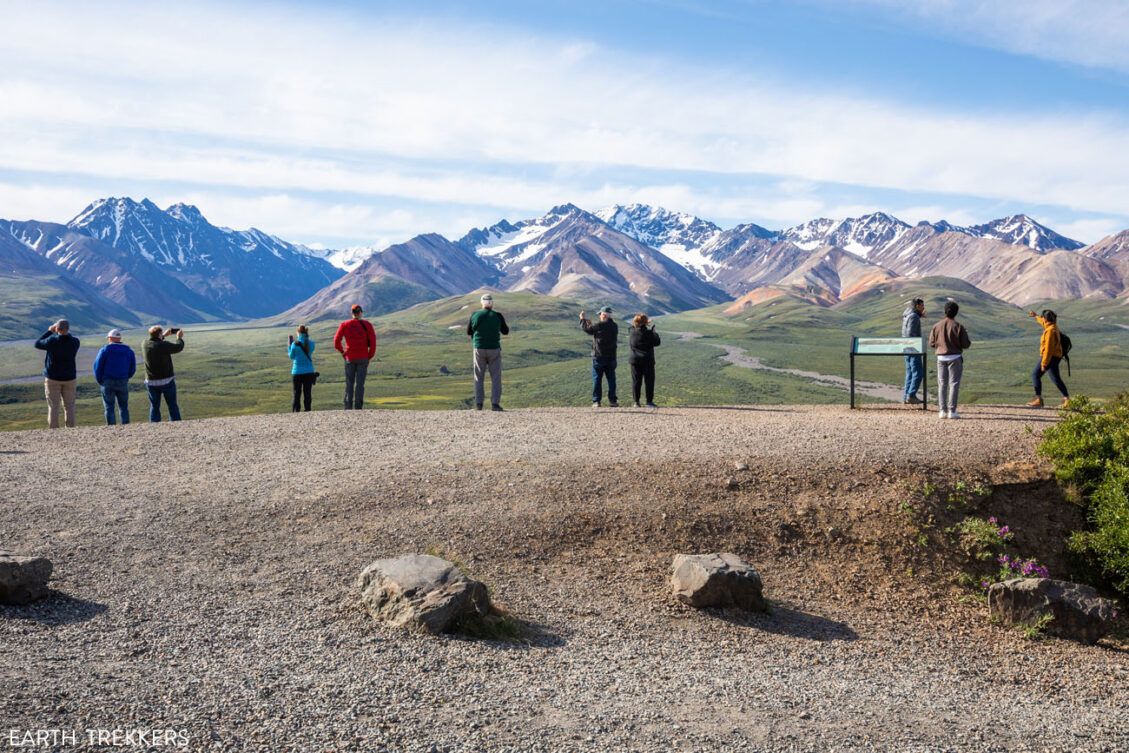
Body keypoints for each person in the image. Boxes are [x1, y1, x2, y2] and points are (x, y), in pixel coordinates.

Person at [927, 301, 972, 420]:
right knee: (954, 384)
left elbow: (931, 343)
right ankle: (952, 411)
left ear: (945, 311)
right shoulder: (958, 326)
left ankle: (942, 411)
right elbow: (966, 344)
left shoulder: (936, 326)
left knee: (942, 384)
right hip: (955, 358)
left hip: (940, 358)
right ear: (956, 312)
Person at [34, 318, 81, 429]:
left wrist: (50, 331)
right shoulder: (75, 342)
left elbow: (37, 343)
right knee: (69, 406)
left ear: (57, 329)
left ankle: (54, 431)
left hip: (52, 378)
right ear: (68, 329)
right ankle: (70, 428)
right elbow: (68, 337)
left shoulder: (52, 341)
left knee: (54, 406)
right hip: (69, 378)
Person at [466, 293, 510, 411]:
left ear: (482, 303)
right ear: (492, 303)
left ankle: (479, 404)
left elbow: (469, 332)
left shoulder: (475, 315)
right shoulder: (497, 316)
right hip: (494, 349)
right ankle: (495, 404)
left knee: (478, 377)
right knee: (496, 377)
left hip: (479, 348)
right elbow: (505, 331)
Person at [333, 304, 377, 410]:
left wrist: (343, 352)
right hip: (363, 357)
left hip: (349, 358)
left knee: (349, 383)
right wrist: (369, 356)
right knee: (360, 384)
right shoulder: (367, 325)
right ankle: (358, 407)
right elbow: (373, 342)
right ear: (360, 312)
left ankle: (348, 407)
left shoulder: (344, 324)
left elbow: (336, 341)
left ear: (351, 313)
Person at [1026, 310, 1069, 409]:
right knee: (1055, 378)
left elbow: (1048, 349)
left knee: (1035, 375)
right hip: (1055, 357)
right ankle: (1067, 400)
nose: (1043, 320)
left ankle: (1038, 400)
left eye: (1043, 317)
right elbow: (1043, 322)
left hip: (1050, 357)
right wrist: (1036, 316)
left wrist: (1044, 363)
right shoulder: (1052, 326)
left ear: (1046, 319)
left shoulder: (1050, 331)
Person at [92, 328, 136, 425]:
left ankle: (112, 428)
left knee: (109, 407)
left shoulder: (104, 350)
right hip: (123, 381)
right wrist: (126, 377)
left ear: (110, 338)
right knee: (123, 407)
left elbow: (97, 367)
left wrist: (101, 381)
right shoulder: (129, 351)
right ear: (119, 338)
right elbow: (132, 368)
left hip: (107, 382)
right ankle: (126, 427)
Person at [143, 325, 185, 422]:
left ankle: (154, 425)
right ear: (159, 334)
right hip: (167, 381)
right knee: (172, 405)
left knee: (154, 405)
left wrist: (163, 335)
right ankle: (176, 425)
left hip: (151, 382)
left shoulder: (144, 344)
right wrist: (179, 338)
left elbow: (155, 341)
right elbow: (178, 347)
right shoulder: (163, 345)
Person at [580, 306, 619, 408]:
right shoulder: (615, 326)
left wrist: (582, 320)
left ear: (604, 315)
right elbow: (597, 330)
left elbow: (588, 330)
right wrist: (592, 326)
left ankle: (596, 401)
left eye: (600, 314)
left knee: (597, 379)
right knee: (611, 380)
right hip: (611, 357)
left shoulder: (599, 325)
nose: (599, 316)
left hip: (599, 357)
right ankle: (612, 401)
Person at [628, 313, 661, 408]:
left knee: (636, 381)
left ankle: (636, 402)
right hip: (648, 360)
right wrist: (654, 332)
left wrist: (645, 324)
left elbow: (634, 328)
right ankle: (649, 402)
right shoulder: (649, 333)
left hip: (635, 360)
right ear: (645, 322)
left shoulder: (632, 332)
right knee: (649, 381)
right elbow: (657, 342)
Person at [901, 298, 926, 404]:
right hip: (913, 349)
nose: (923, 308)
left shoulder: (907, 315)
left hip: (906, 348)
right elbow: (911, 333)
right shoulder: (914, 316)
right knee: (918, 372)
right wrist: (917, 346)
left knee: (910, 373)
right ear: (917, 306)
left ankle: (907, 396)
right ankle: (911, 395)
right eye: (922, 306)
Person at [288, 325, 317, 412]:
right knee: (307, 393)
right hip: (309, 371)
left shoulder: (294, 344)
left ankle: (296, 411)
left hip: (297, 372)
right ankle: (307, 410)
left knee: (297, 393)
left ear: (298, 333)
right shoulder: (312, 343)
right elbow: (309, 351)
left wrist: (289, 347)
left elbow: (291, 356)